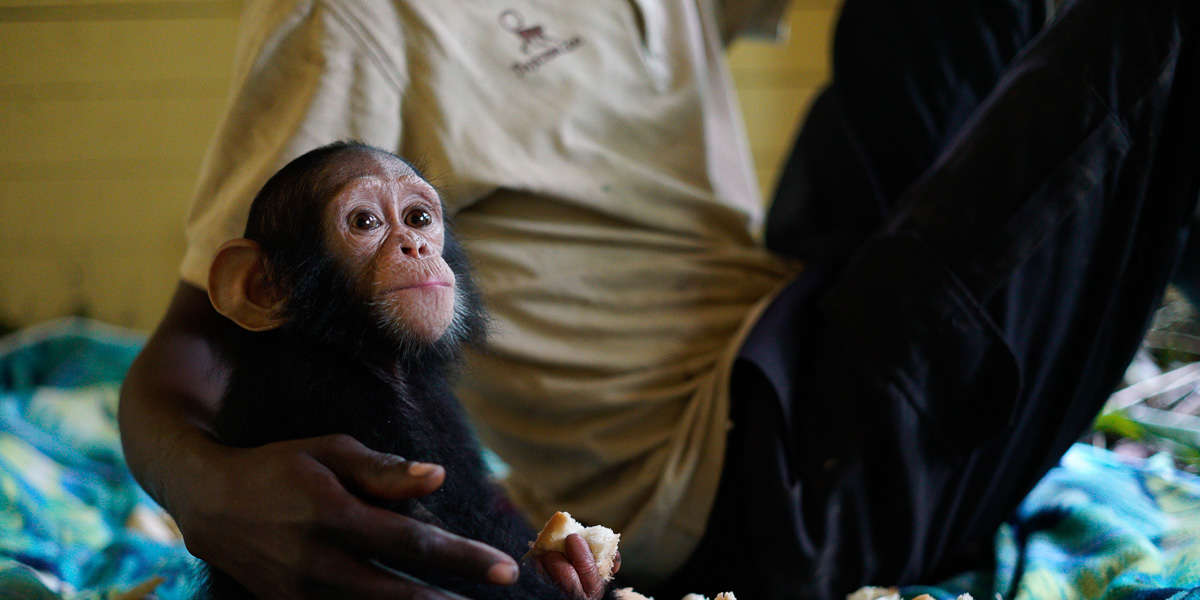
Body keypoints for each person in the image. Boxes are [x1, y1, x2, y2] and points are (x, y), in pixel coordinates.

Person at [118, 1, 1199, 599]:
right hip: (763, 481)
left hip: (798, 312)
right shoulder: (353, 19)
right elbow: (202, 345)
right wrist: (212, 496)